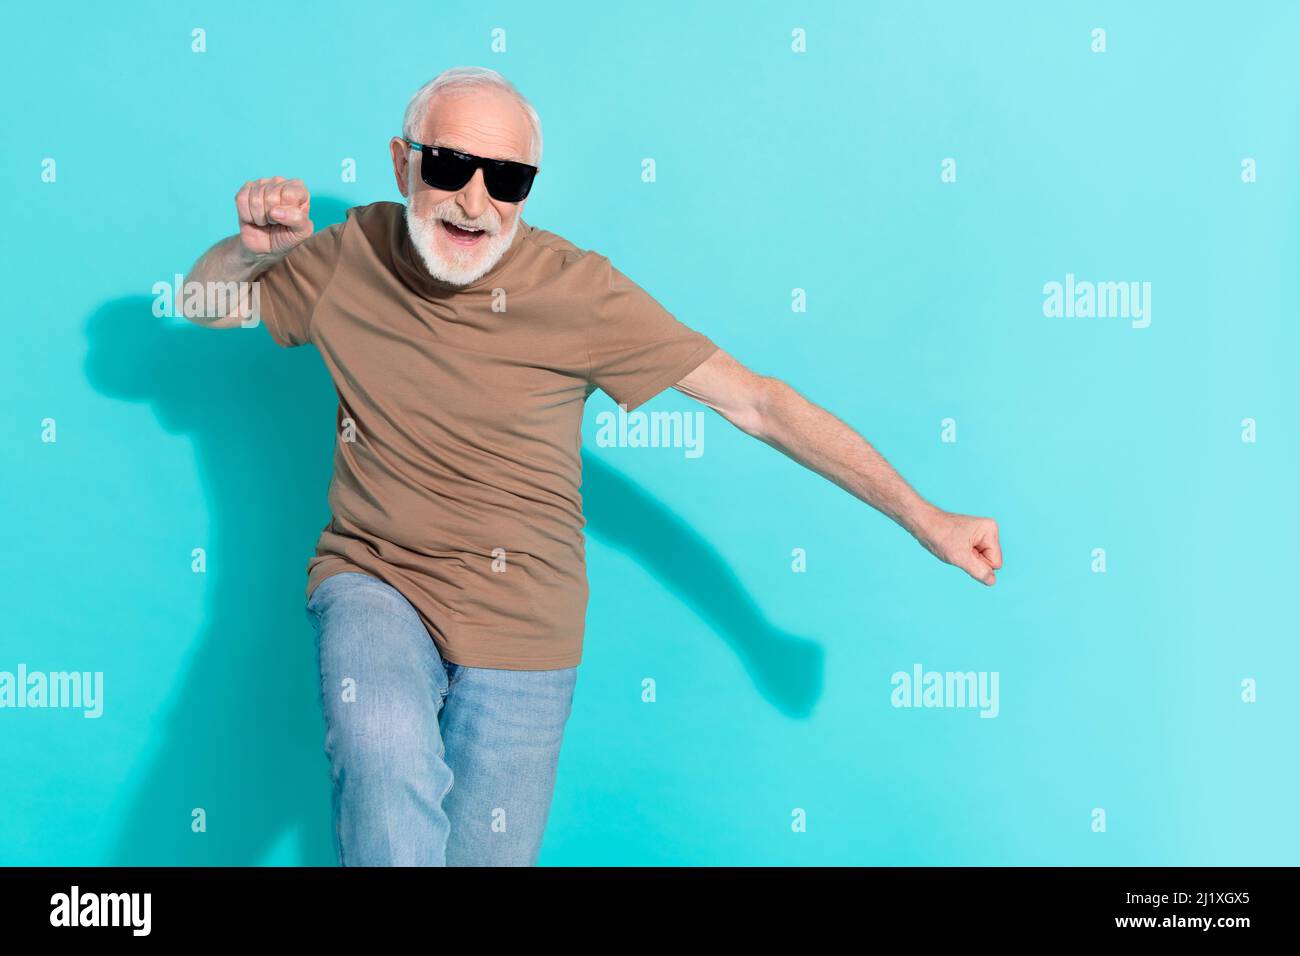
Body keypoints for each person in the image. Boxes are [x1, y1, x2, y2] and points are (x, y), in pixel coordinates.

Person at [180, 65, 1003, 866]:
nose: (475, 199)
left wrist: (926, 518)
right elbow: (201, 307)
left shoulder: (578, 292)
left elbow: (755, 401)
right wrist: (249, 254)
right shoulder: (349, 253)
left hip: (526, 624)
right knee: (382, 752)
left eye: (507, 179)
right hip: (376, 578)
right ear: (404, 163)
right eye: (450, 165)